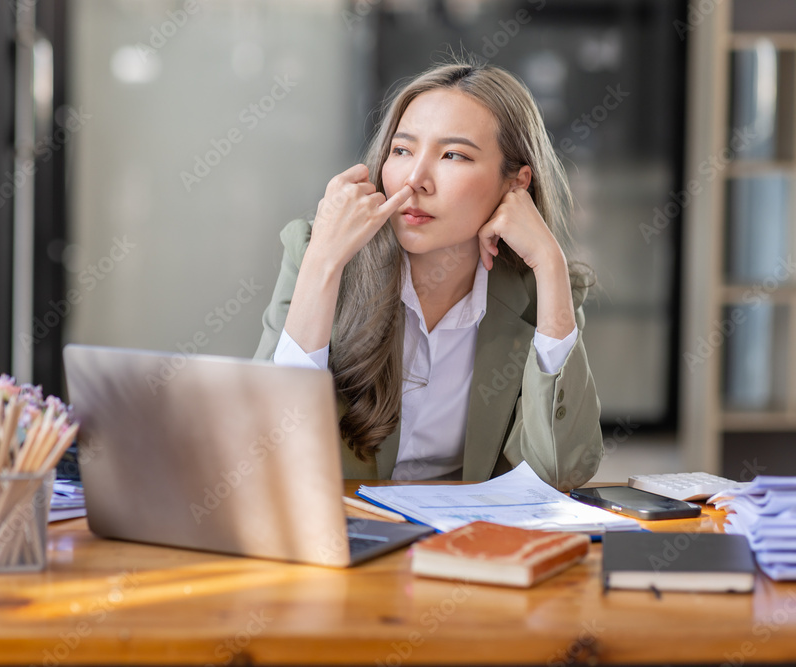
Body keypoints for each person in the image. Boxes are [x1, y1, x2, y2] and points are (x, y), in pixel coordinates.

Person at [254, 59, 603, 491]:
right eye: (402, 151)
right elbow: (266, 453)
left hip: (465, 546)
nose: (416, 179)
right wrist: (323, 265)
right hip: (344, 539)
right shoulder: (317, 252)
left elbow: (560, 471)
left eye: (453, 155)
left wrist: (550, 264)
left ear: (515, 184)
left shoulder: (538, 291)